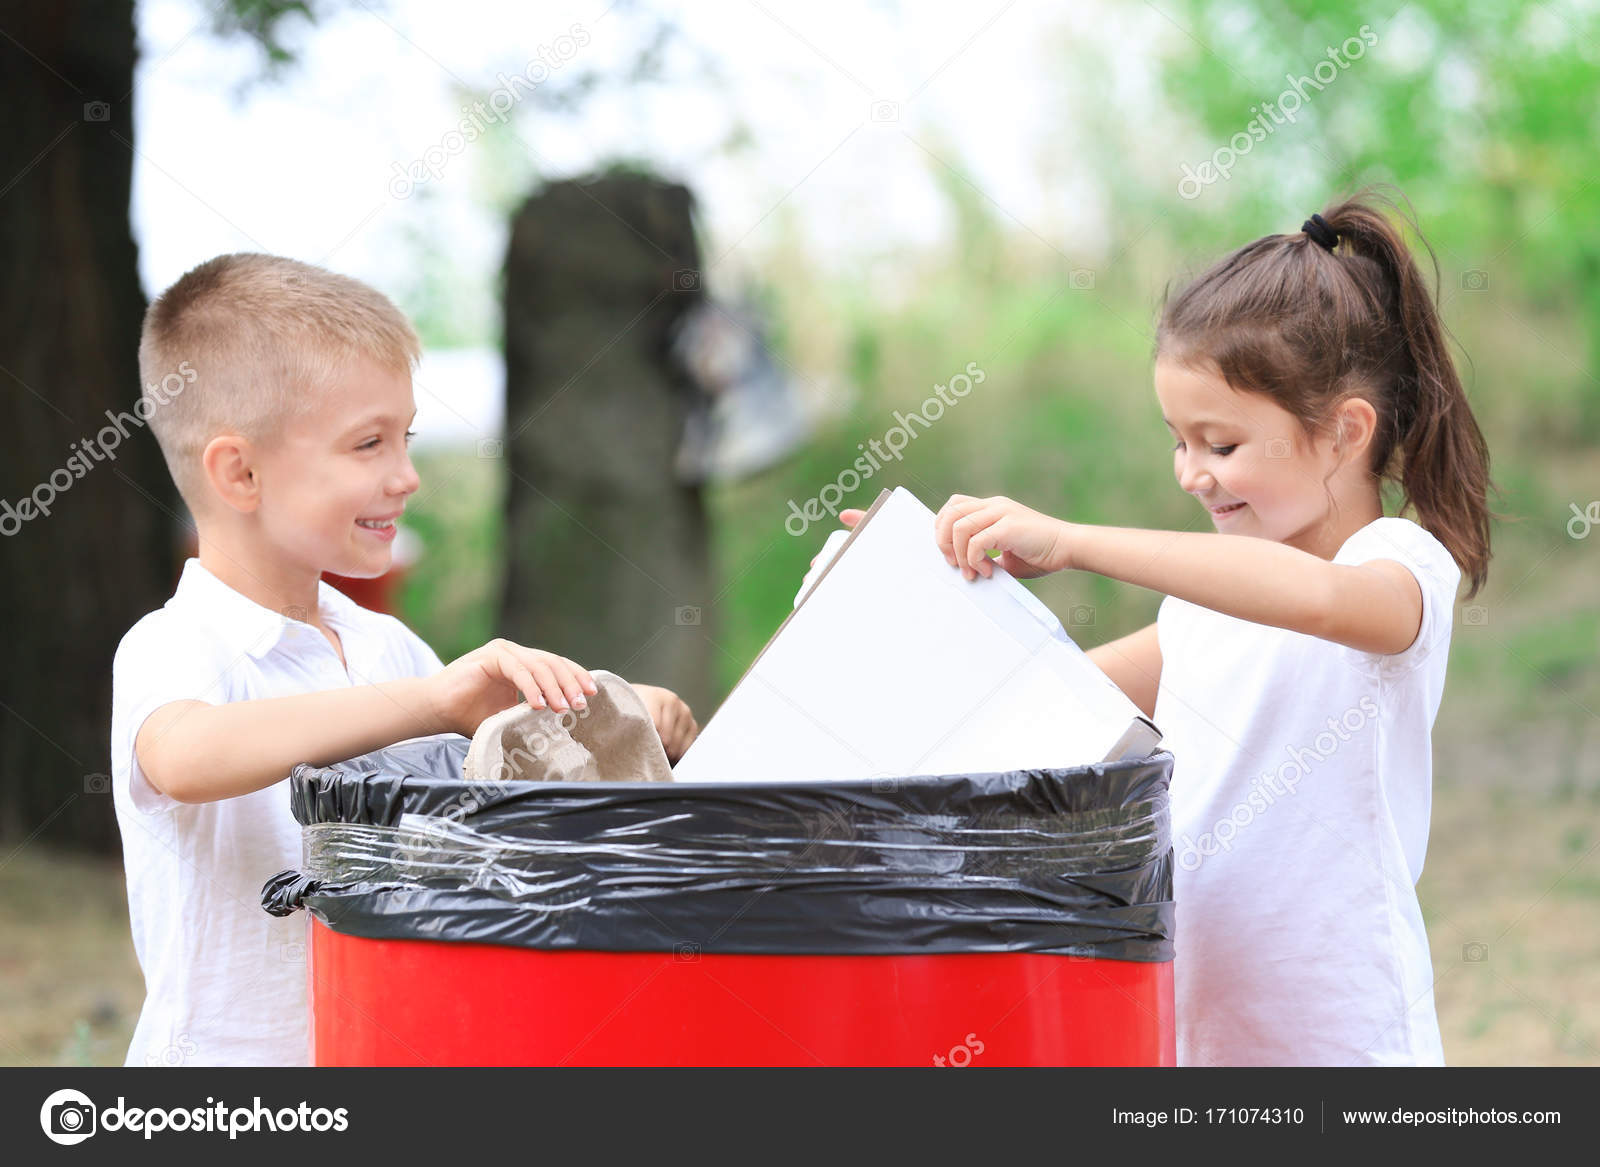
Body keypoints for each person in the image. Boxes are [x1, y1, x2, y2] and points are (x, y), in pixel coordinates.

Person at [843, 191, 1492, 1065]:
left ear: (1345, 431)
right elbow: (1041, 703)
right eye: (1177, 440)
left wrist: (1075, 542)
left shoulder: (1397, 566)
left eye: (1220, 445)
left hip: (1345, 1042)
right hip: (1197, 1039)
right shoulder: (1199, 613)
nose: (1191, 473)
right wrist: (921, 598)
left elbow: (1314, 600)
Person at [110, 253, 698, 1067]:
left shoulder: (387, 647)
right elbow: (184, 755)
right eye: (368, 444)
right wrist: (429, 699)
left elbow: (482, 799)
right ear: (240, 470)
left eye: (406, 437)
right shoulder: (175, 644)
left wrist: (613, 714)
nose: (407, 475)